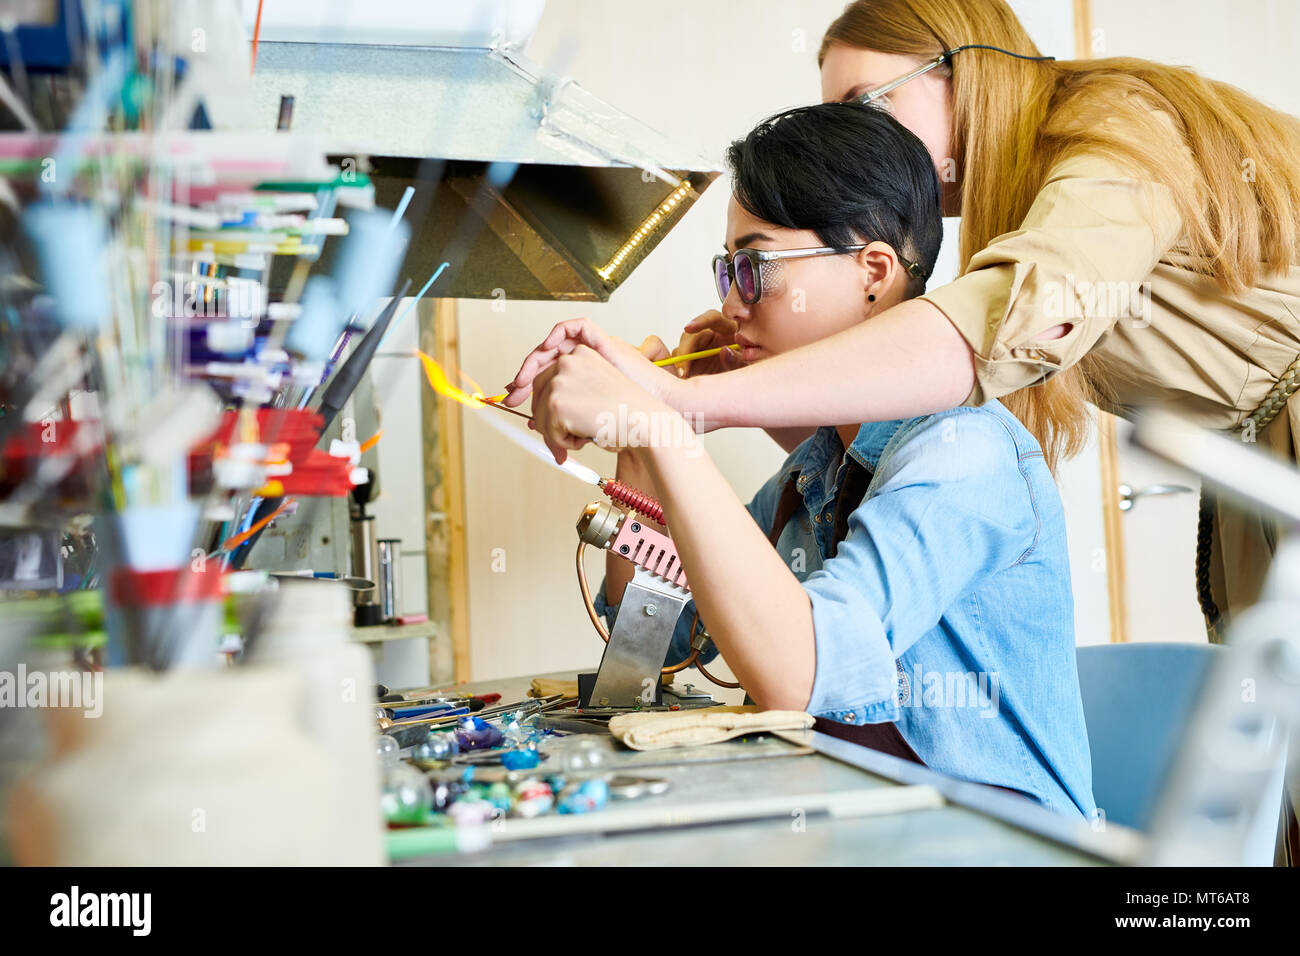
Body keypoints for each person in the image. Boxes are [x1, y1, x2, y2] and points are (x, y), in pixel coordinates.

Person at [504, 0, 1300, 644]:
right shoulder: (1012, 224)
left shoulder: (1115, 126)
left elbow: (1008, 322)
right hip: (1253, 471)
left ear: (964, 66)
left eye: (866, 106)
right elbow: (673, 632)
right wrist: (662, 439)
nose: (855, 143)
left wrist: (671, 407)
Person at [586, 101, 1096, 817]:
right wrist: (646, 449)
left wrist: (664, 423)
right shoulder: (817, 469)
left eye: (754, 266)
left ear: (873, 272)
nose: (733, 302)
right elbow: (657, 643)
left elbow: (807, 669)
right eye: (725, 270)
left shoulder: (964, 454)